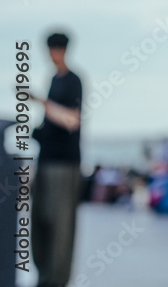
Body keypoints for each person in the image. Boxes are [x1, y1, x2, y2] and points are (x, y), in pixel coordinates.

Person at [29, 32, 84, 287]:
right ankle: (44, 276)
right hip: (46, 159)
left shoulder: (73, 81)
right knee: (41, 221)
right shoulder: (53, 79)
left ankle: (56, 279)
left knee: (60, 224)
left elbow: (71, 120)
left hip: (64, 163)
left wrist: (41, 101)